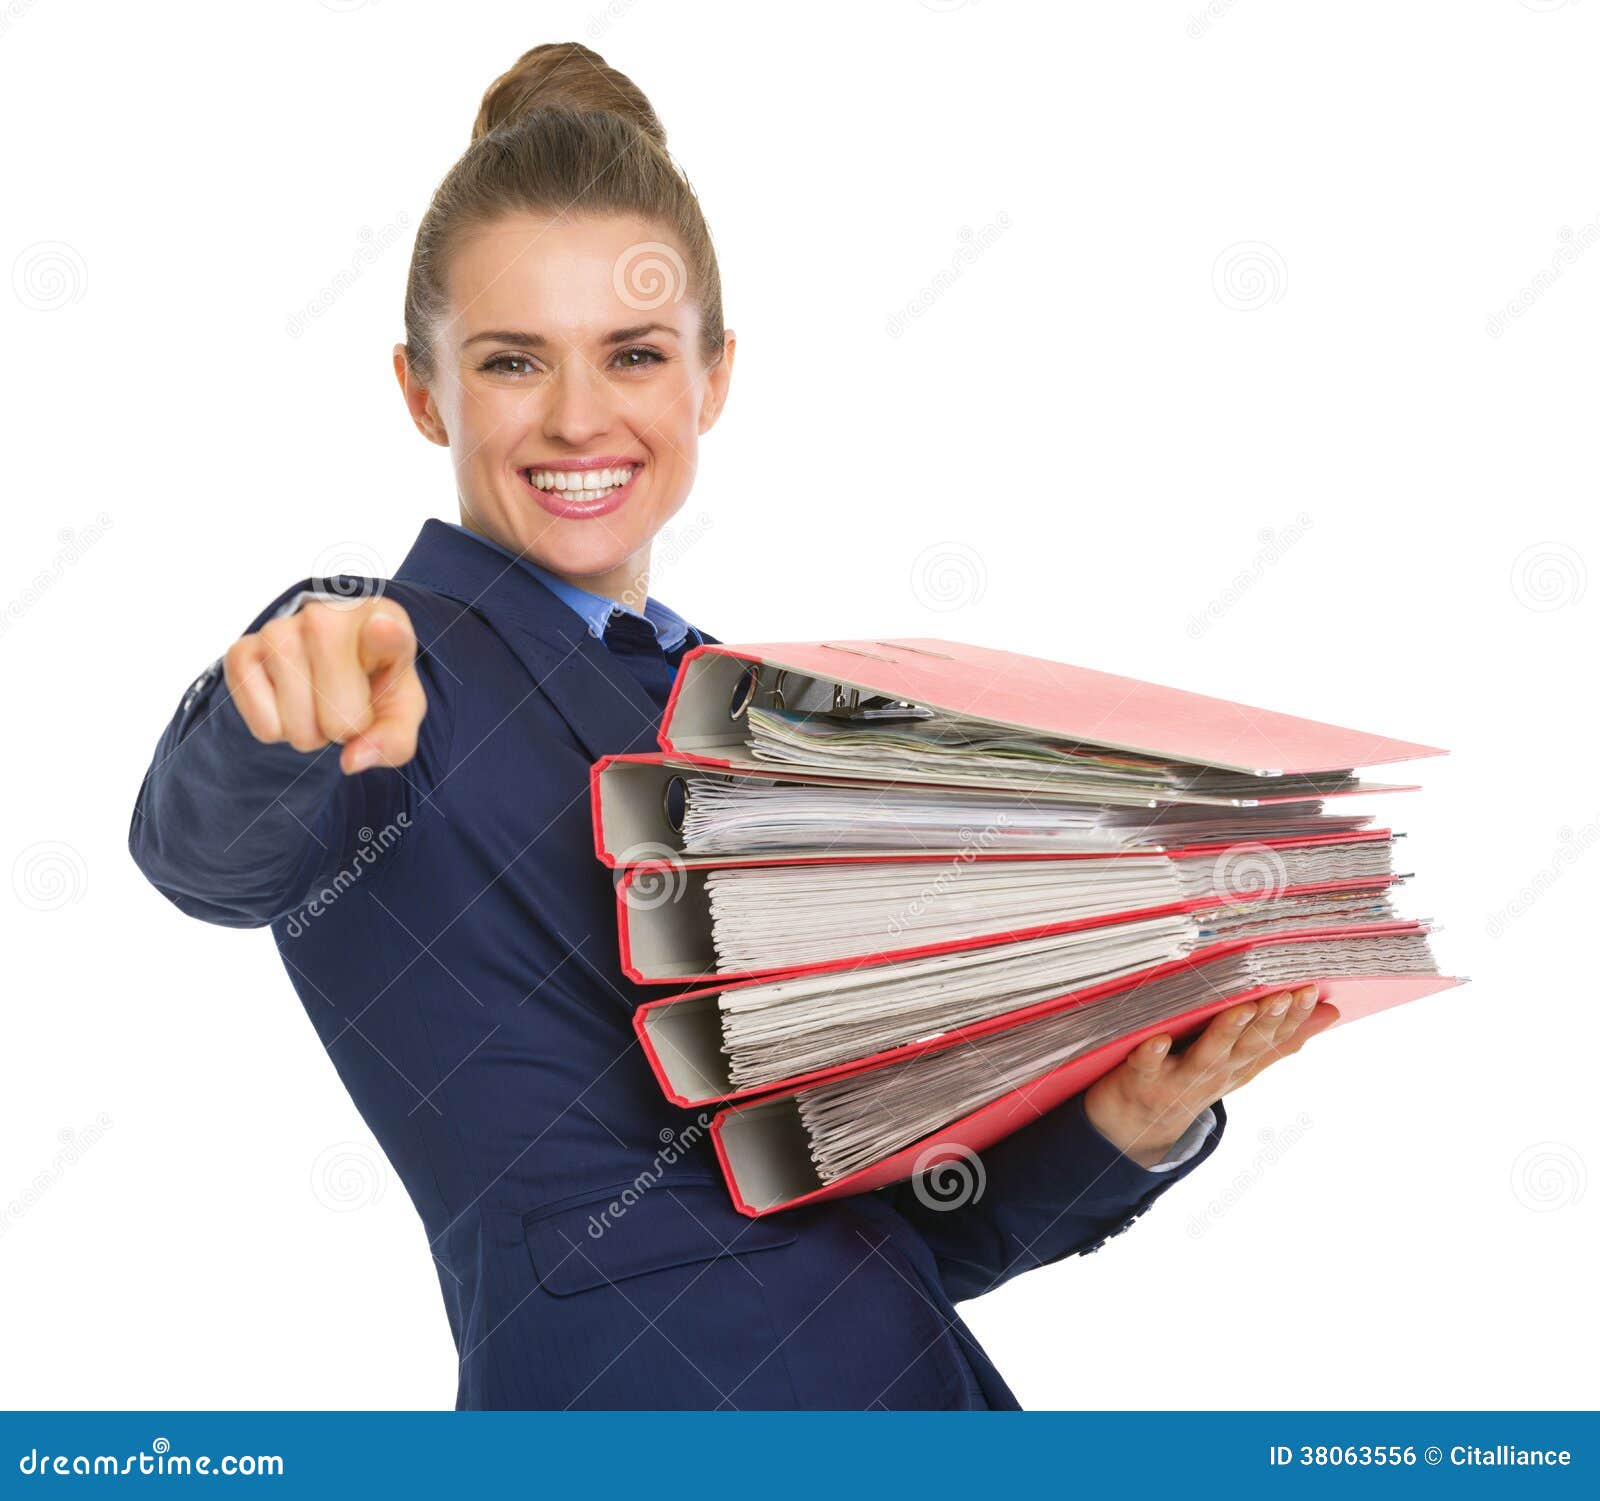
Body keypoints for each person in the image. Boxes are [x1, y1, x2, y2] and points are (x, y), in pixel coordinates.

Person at [128, 42, 1338, 1411]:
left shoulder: (766, 714)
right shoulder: (383, 662)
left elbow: (892, 1219)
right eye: (513, 360)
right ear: (423, 390)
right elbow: (206, 851)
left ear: (711, 379)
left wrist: (1127, 1119)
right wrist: (263, 709)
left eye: (634, 354)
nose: (579, 414)